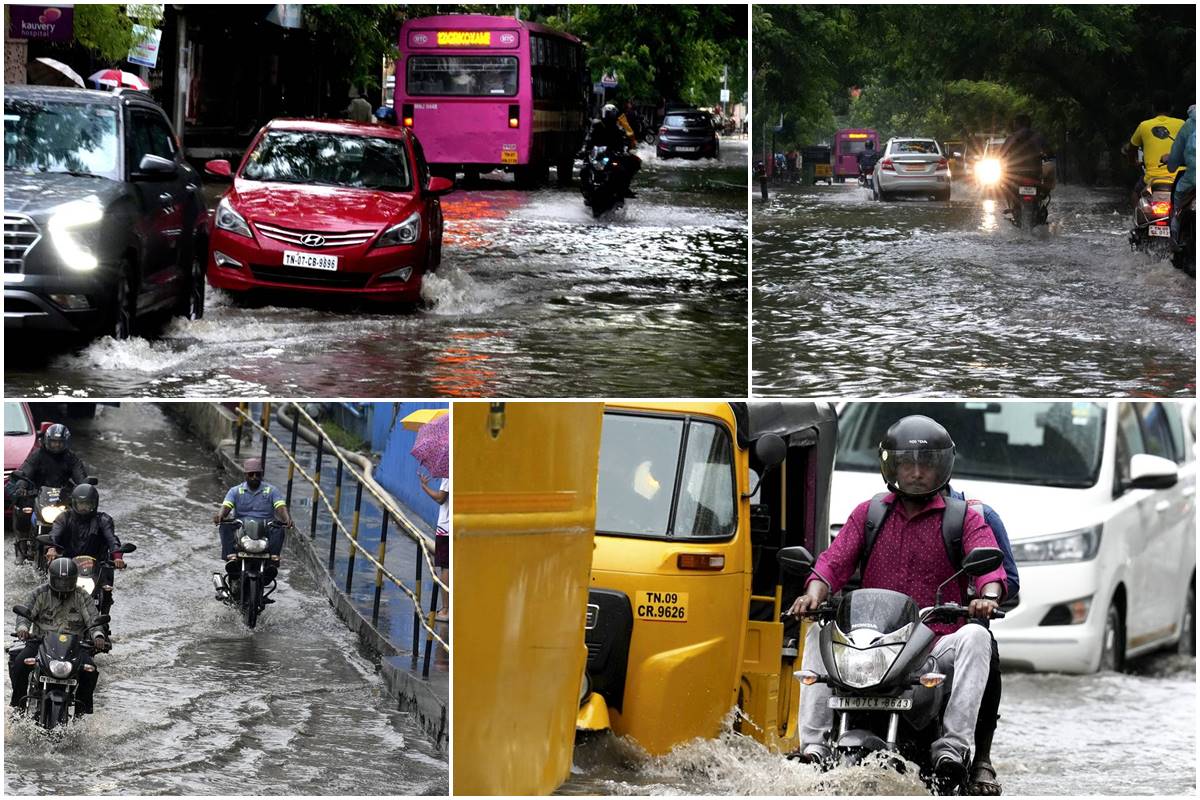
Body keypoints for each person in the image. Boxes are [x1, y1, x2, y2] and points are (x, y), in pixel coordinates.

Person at [786, 415, 1007, 791]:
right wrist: (813, 594)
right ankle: (812, 746)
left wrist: (987, 598)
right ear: (892, 466)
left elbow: (991, 571)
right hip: (870, 645)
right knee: (817, 634)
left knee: (977, 638)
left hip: (935, 647)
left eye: (926, 464)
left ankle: (952, 749)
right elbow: (831, 564)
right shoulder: (868, 514)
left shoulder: (964, 518)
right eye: (908, 464)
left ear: (943, 467)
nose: (917, 473)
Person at [944, 483, 1019, 797]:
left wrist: (984, 596)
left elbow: (1009, 580)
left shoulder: (978, 516)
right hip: (904, 627)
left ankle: (981, 759)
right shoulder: (883, 513)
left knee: (984, 646)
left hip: (959, 626)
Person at [9, 558, 109, 716]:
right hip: (41, 642)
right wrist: (22, 628)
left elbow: (93, 619)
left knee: (90, 670)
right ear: (51, 577)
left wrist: (98, 635)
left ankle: (81, 713)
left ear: (74, 579)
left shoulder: (82, 596)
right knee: (20, 664)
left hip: (74, 646)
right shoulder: (40, 593)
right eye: (59, 581)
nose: (63, 586)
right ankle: (18, 707)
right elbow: (25, 615)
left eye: (67, 581)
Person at [213, 458, 294, 592]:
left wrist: (287, 519)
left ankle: (273, 559)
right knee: (225, 526)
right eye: (251, 474)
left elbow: (280, 507)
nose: (254, 477)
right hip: (242, 528)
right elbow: (226, 506)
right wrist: (221, 515)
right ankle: (231, 557)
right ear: (245, 475)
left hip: (265, 528)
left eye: (257, 474)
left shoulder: (271, 491)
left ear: (262, 475)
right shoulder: (235, 491)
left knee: (279, 528)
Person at [44, 484, 125, 617]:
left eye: (87, 504)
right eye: (80, 504)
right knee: (54, 587)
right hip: (68, 564)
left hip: (97, 566)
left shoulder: (104, 520)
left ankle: (104, 620)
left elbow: (112, 539)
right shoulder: (64, 518)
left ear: (95, 504)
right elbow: (54, 535)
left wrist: (117, 557)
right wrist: (51, 548)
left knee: (106, 589)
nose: (83, 508)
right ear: (74, 503)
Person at [6, 423, 88, 535]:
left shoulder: (71, 458)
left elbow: (80, 476)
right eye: (54, 442)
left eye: (60, 442)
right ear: (47, 441)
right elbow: (26, 472)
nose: (56, 445)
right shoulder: (37, 455)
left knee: (81, 516)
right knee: (24, 512)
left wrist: (85, 488)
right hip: (37, 494)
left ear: (66, 443)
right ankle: (24, 540)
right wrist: (21, 486)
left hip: (62, 496)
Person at [1123, 91, 1185, 201]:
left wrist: (1133, 162)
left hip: (1152, 179)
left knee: (1135, 194)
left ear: (1153, 108)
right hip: (1180, 178)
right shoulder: (1182, 124)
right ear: (1172, 108)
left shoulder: (1144, 126)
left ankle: (1137, 218)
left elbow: (1131, 150)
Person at [580, 103, 641, 198]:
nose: (610, 116)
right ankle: (586, 189)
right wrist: (584, 150)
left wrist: (625, 150)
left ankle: (624, 188)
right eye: (609, 114)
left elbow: (624, 140)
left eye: (612, 114)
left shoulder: (618, 128)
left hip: (612, 155)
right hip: (597, 154)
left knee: (630, 164)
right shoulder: (596, 125)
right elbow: (588, 139)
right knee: (584, 169)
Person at [419, 472, 450, 622]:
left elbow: (440, 498)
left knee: (446, 567)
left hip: (447, 528)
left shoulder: (450, 473)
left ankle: (446, 610)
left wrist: (424, 486)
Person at [1165, 103, 1195, 242]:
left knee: (1176, 202)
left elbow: (1174, 160)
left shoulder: (1189, 125)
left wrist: (1170, 162)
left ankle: (1174, 237)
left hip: (1192, 179)